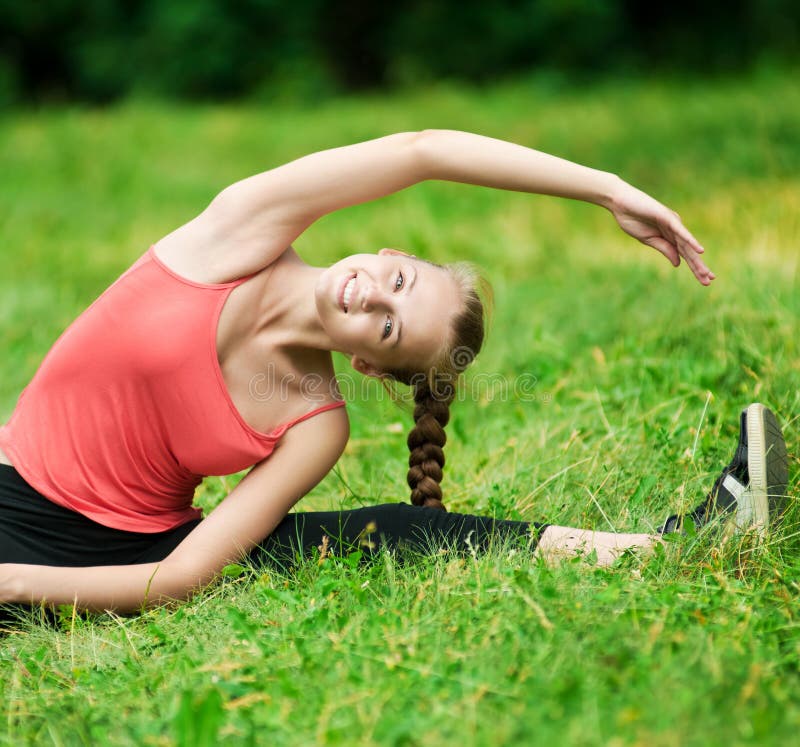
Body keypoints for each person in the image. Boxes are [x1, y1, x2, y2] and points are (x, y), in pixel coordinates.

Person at [0, 130, 788, 616]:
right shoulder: (237, 232)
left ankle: (677, 543)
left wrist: (18, 585)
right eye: (399, 283)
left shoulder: (314, 421)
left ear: (367, 360)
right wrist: (605, 188)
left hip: (115, 562)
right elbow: (422, 151)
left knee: (394, 531)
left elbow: (176, 577)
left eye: (387, 325)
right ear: (391, 255)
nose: (373, 295)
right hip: (12, 495)